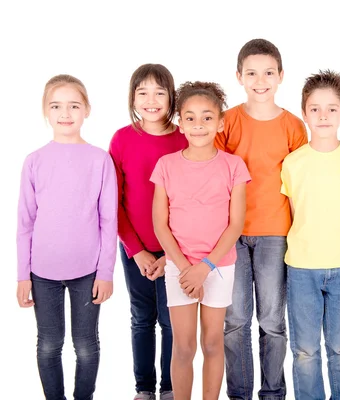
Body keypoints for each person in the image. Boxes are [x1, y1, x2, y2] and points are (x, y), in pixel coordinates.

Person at [216, 38, 308, 400]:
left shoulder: (293, 126)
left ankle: (273, 393)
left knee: (272, 323)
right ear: (239, 76)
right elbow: (215, 175)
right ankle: (239, 394)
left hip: (276, 234)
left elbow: (303, 182)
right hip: (231, 234)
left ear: (281, 76)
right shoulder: (228, 122)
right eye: (251, 73)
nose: (260, 80)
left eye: (268, 72)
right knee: (235, 321)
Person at [16, 74, 117, 400]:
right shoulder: (34, 161)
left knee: (86, 344)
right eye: (56, 105)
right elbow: (25, 222)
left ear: (86, 109)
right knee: (48, 344)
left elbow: (108, 220)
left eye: (74, 105)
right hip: (42, 272)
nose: (65, 112)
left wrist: (105, 273)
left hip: (87, 271)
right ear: (45, 111)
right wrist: (22, 275)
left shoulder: (100, 159)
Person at [151, 81, 251, 400]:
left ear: (220, 123)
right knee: (183, 346)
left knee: (211, 343)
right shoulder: (166, 166)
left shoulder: (233, 166)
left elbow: (235, 224)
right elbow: (159, 223)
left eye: (207, 118)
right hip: (178, 267)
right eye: (190, 118)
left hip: (218, 267)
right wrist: (185, 269)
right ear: (180, 123)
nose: (198, 125)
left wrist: (205, 267)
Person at [281, 70, 340, 400]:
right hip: (302, 268)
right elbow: (292, 213)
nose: (323, 116)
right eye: (315, 109)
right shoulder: (292, 163)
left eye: (331, 109)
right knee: (304, 351)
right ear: (304, 113)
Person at [109, 64, 187, 400]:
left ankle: (169, 388)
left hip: (178, 248)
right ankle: (144, 389)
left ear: (171, 97)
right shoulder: (122, 139)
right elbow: (114, 201)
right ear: (133, 98)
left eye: (159, 92)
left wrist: (170, 254)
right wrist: (136, 250)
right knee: (142, 318)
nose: (151, 100)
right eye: (143, 93)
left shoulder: (185, 137)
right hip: (134, 249)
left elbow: (192, 202)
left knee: (172, 321)